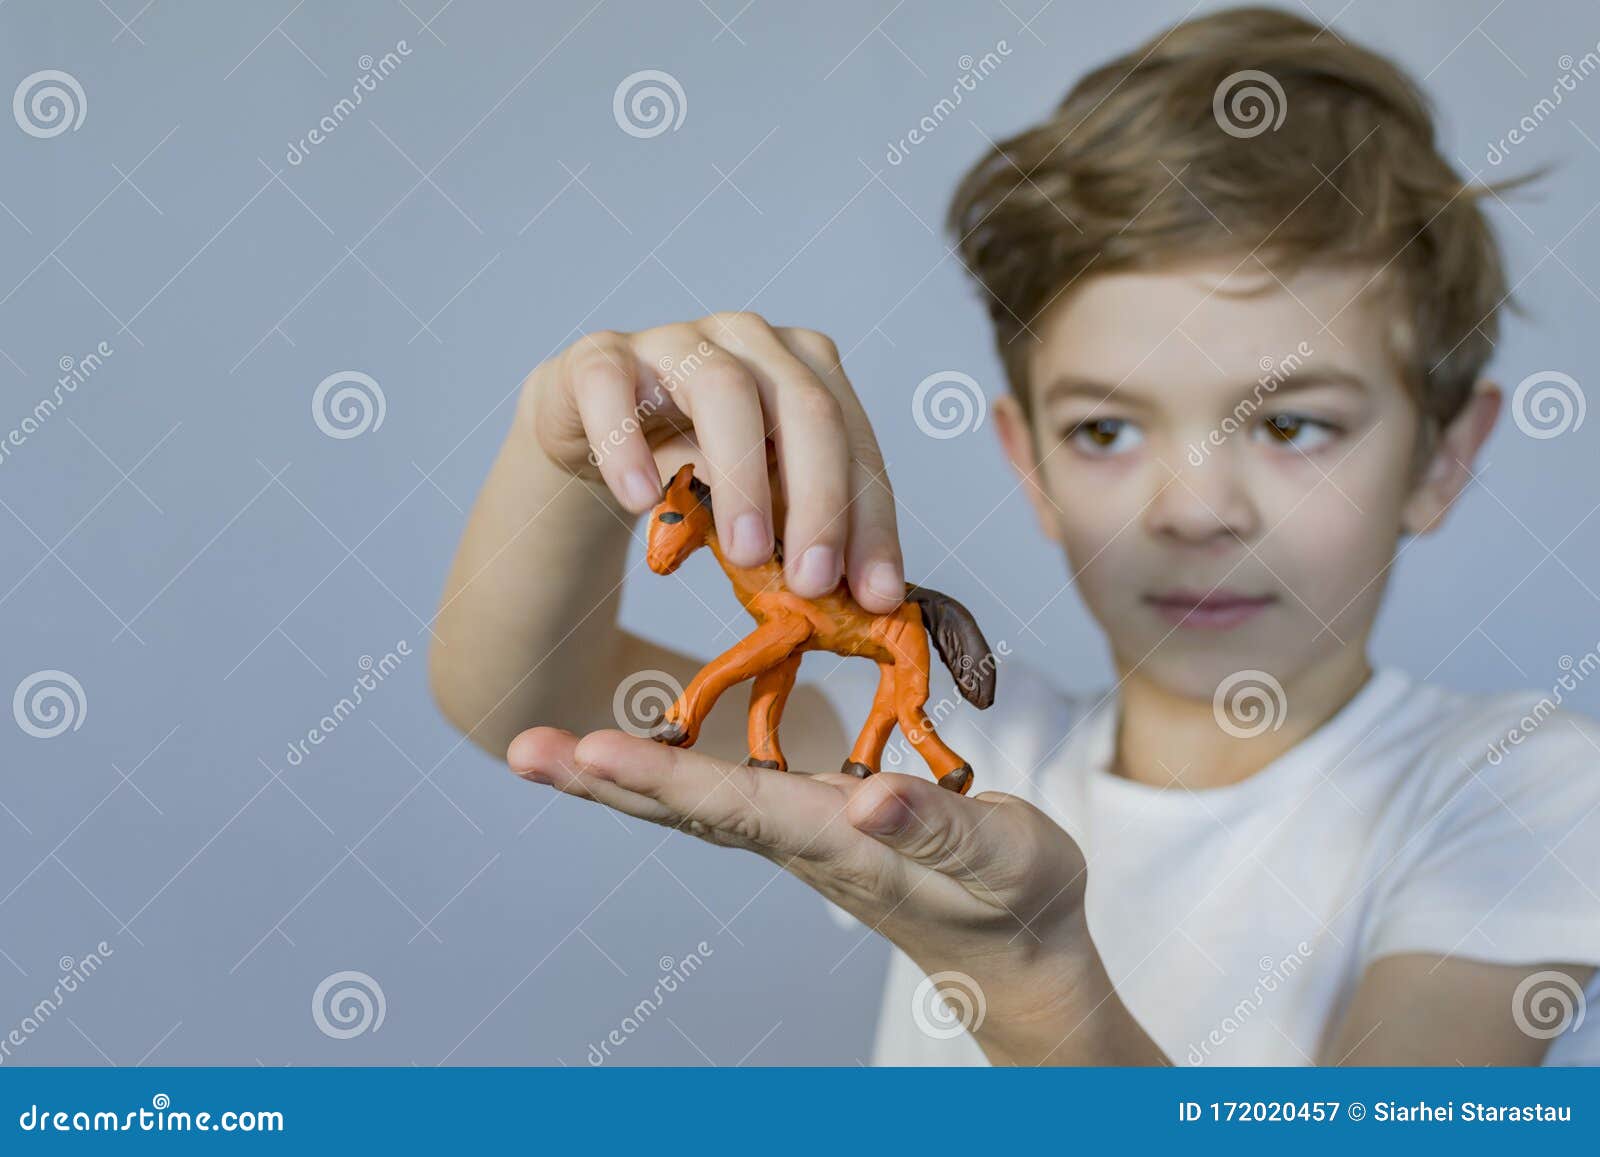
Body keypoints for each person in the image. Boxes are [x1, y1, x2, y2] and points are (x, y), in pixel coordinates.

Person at [429, 6, 1600, 1064]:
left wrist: (1026, 986)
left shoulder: (1529, 797)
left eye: (1290, 423)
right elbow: (525, 695)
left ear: (1441, 456)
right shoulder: (987, 753)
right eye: (1102, 429)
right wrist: (570, 458)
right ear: (1027, 463)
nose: (1193, 509)